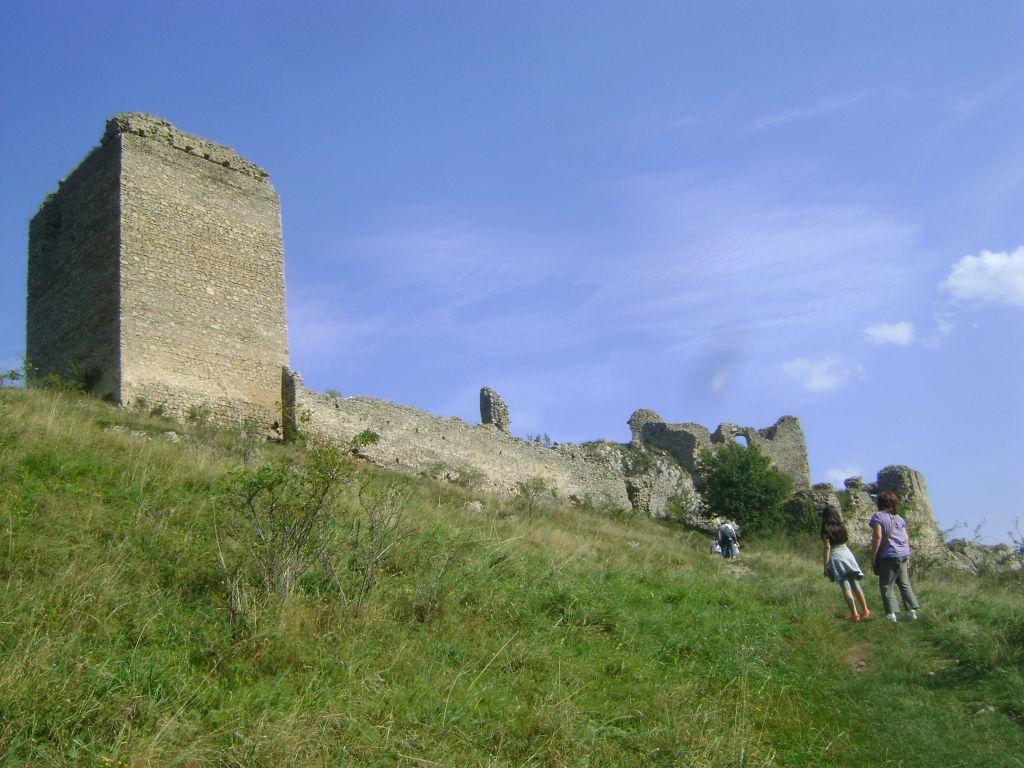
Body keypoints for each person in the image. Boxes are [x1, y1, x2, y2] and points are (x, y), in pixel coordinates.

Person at [870, 491, 921, 622]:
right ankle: (911, 611)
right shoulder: (899, 519)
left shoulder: (877, 516)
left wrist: (874, 555)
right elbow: (905, 537)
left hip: (888, 555)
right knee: (904, 583)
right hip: (903, 554)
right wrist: (907, 553)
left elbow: (878, 536)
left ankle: (891, 614)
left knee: (886, 585)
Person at [820, 507, 872, 622]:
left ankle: (854, 614)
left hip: (836, 556)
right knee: (855, 584)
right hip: (847, 554)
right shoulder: (841, 526)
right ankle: (865, 610)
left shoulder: (826, 529)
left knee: (845, 586)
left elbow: (827, 547)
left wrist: (825, 566)